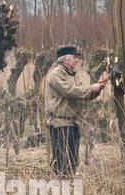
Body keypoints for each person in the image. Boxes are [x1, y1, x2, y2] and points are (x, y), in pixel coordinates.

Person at [43, 46, 108, 177]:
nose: (77, 60)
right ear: (64, 59)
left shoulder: (72, 75)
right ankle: (58, 187)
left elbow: (82, 93)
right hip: (59, 124)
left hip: (73, 123)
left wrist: (97, 89)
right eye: (74, 57)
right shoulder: (57, 74)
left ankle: (67, 185)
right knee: (61, 160)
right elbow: (70, 91)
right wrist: (91, 88)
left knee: (72, 160)